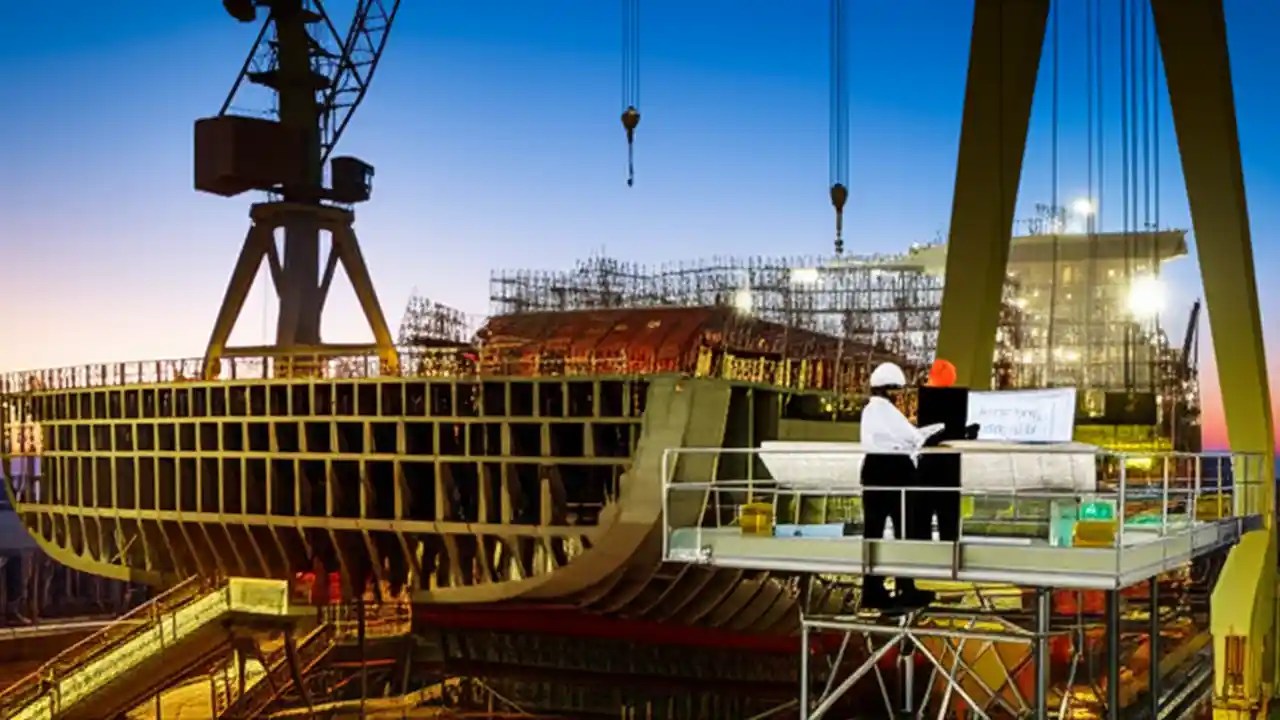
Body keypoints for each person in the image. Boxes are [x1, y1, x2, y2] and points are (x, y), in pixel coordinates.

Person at [859, 361, 941, 612]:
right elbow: (910, 437)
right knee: (904, 529)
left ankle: (872, 588)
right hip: (894, 472)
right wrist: (935, 432)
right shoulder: (883, 410)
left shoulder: (871, 410)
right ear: (889, 389)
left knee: (873, 531)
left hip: (875, 472)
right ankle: (905, 587)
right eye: (898, 389)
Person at [915, 358, 980, 543]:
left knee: (921, 521)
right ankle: (950, 554)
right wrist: (966, 434)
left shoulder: (923, 401)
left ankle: (921, 553)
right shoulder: (956, 402)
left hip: (926, 469)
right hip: (948, 471)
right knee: (948, 522)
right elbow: (953, 434)